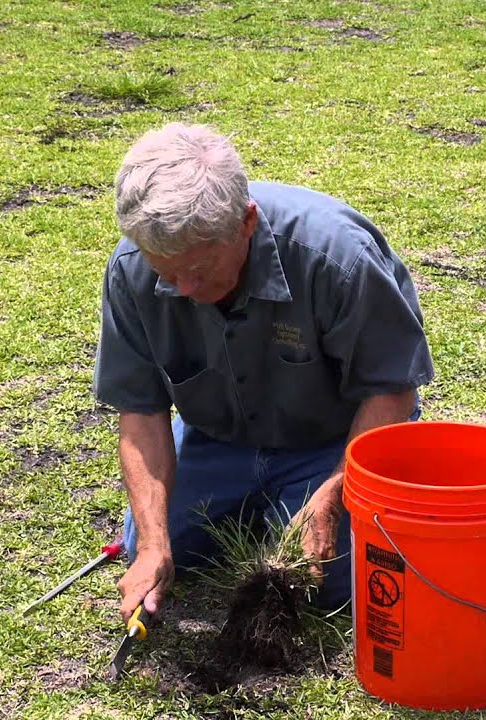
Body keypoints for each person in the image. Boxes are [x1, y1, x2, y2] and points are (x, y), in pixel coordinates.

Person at [92, 123, 434, 622]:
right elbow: (140, 411)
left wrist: (339, 491)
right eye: (166, 273)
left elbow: (391, 390)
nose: (183, 289)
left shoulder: (338, 258)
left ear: (246, 222)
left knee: (332, 581)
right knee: (160, 552)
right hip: (218, 438)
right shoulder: (130, 270)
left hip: (333, 442)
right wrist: (152, 542)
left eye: (200, 270)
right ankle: (262, 507)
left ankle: (290, 502)